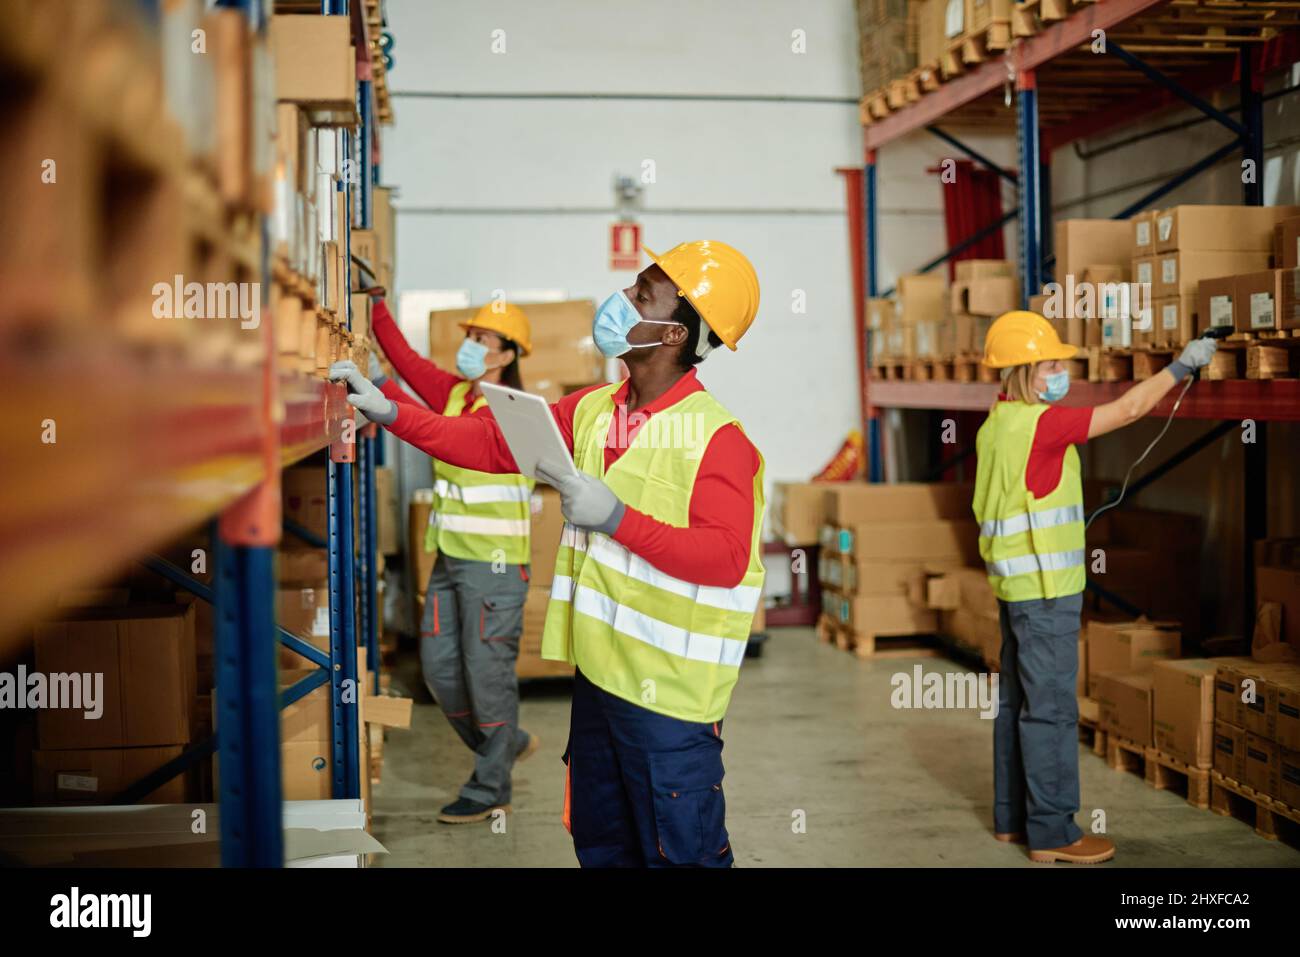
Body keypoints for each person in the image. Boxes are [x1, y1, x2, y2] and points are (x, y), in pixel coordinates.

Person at [331, 240, 765, 867]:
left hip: (669, 702)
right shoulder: (591, 409)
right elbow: (488, 442)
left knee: (680, 854)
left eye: (641, 295)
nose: (622, 301)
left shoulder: (719, 439)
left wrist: (618, 518)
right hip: (594, 682)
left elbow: (724, 558)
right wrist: (392, 410)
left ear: (672, 331)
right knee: (603, 842)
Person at [974, 310, 1217, 864]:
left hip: (1013, 589)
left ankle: (1013, 820)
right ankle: (1055, 834)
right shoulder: (1043, 425)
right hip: (1047, 591)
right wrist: (1182, 364)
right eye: (1052, 363)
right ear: (1024, 371)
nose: (1062, 371)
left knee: (1015, 702)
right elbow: (1129, 408)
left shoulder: (995, 426)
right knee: (1052, 710)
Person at [346, 293, 541, 825]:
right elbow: (407, 363)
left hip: (496, 569)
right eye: (470, 336)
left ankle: (491, 785)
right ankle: (506, 742)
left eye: (482, 340)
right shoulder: (455, 393)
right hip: (451, 560)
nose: (470, 346)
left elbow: (445, 438)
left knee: (486, 676)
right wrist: (375, 307)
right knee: (438, 672)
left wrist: (388, 406)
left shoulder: (513, 412)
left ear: (506, 355)